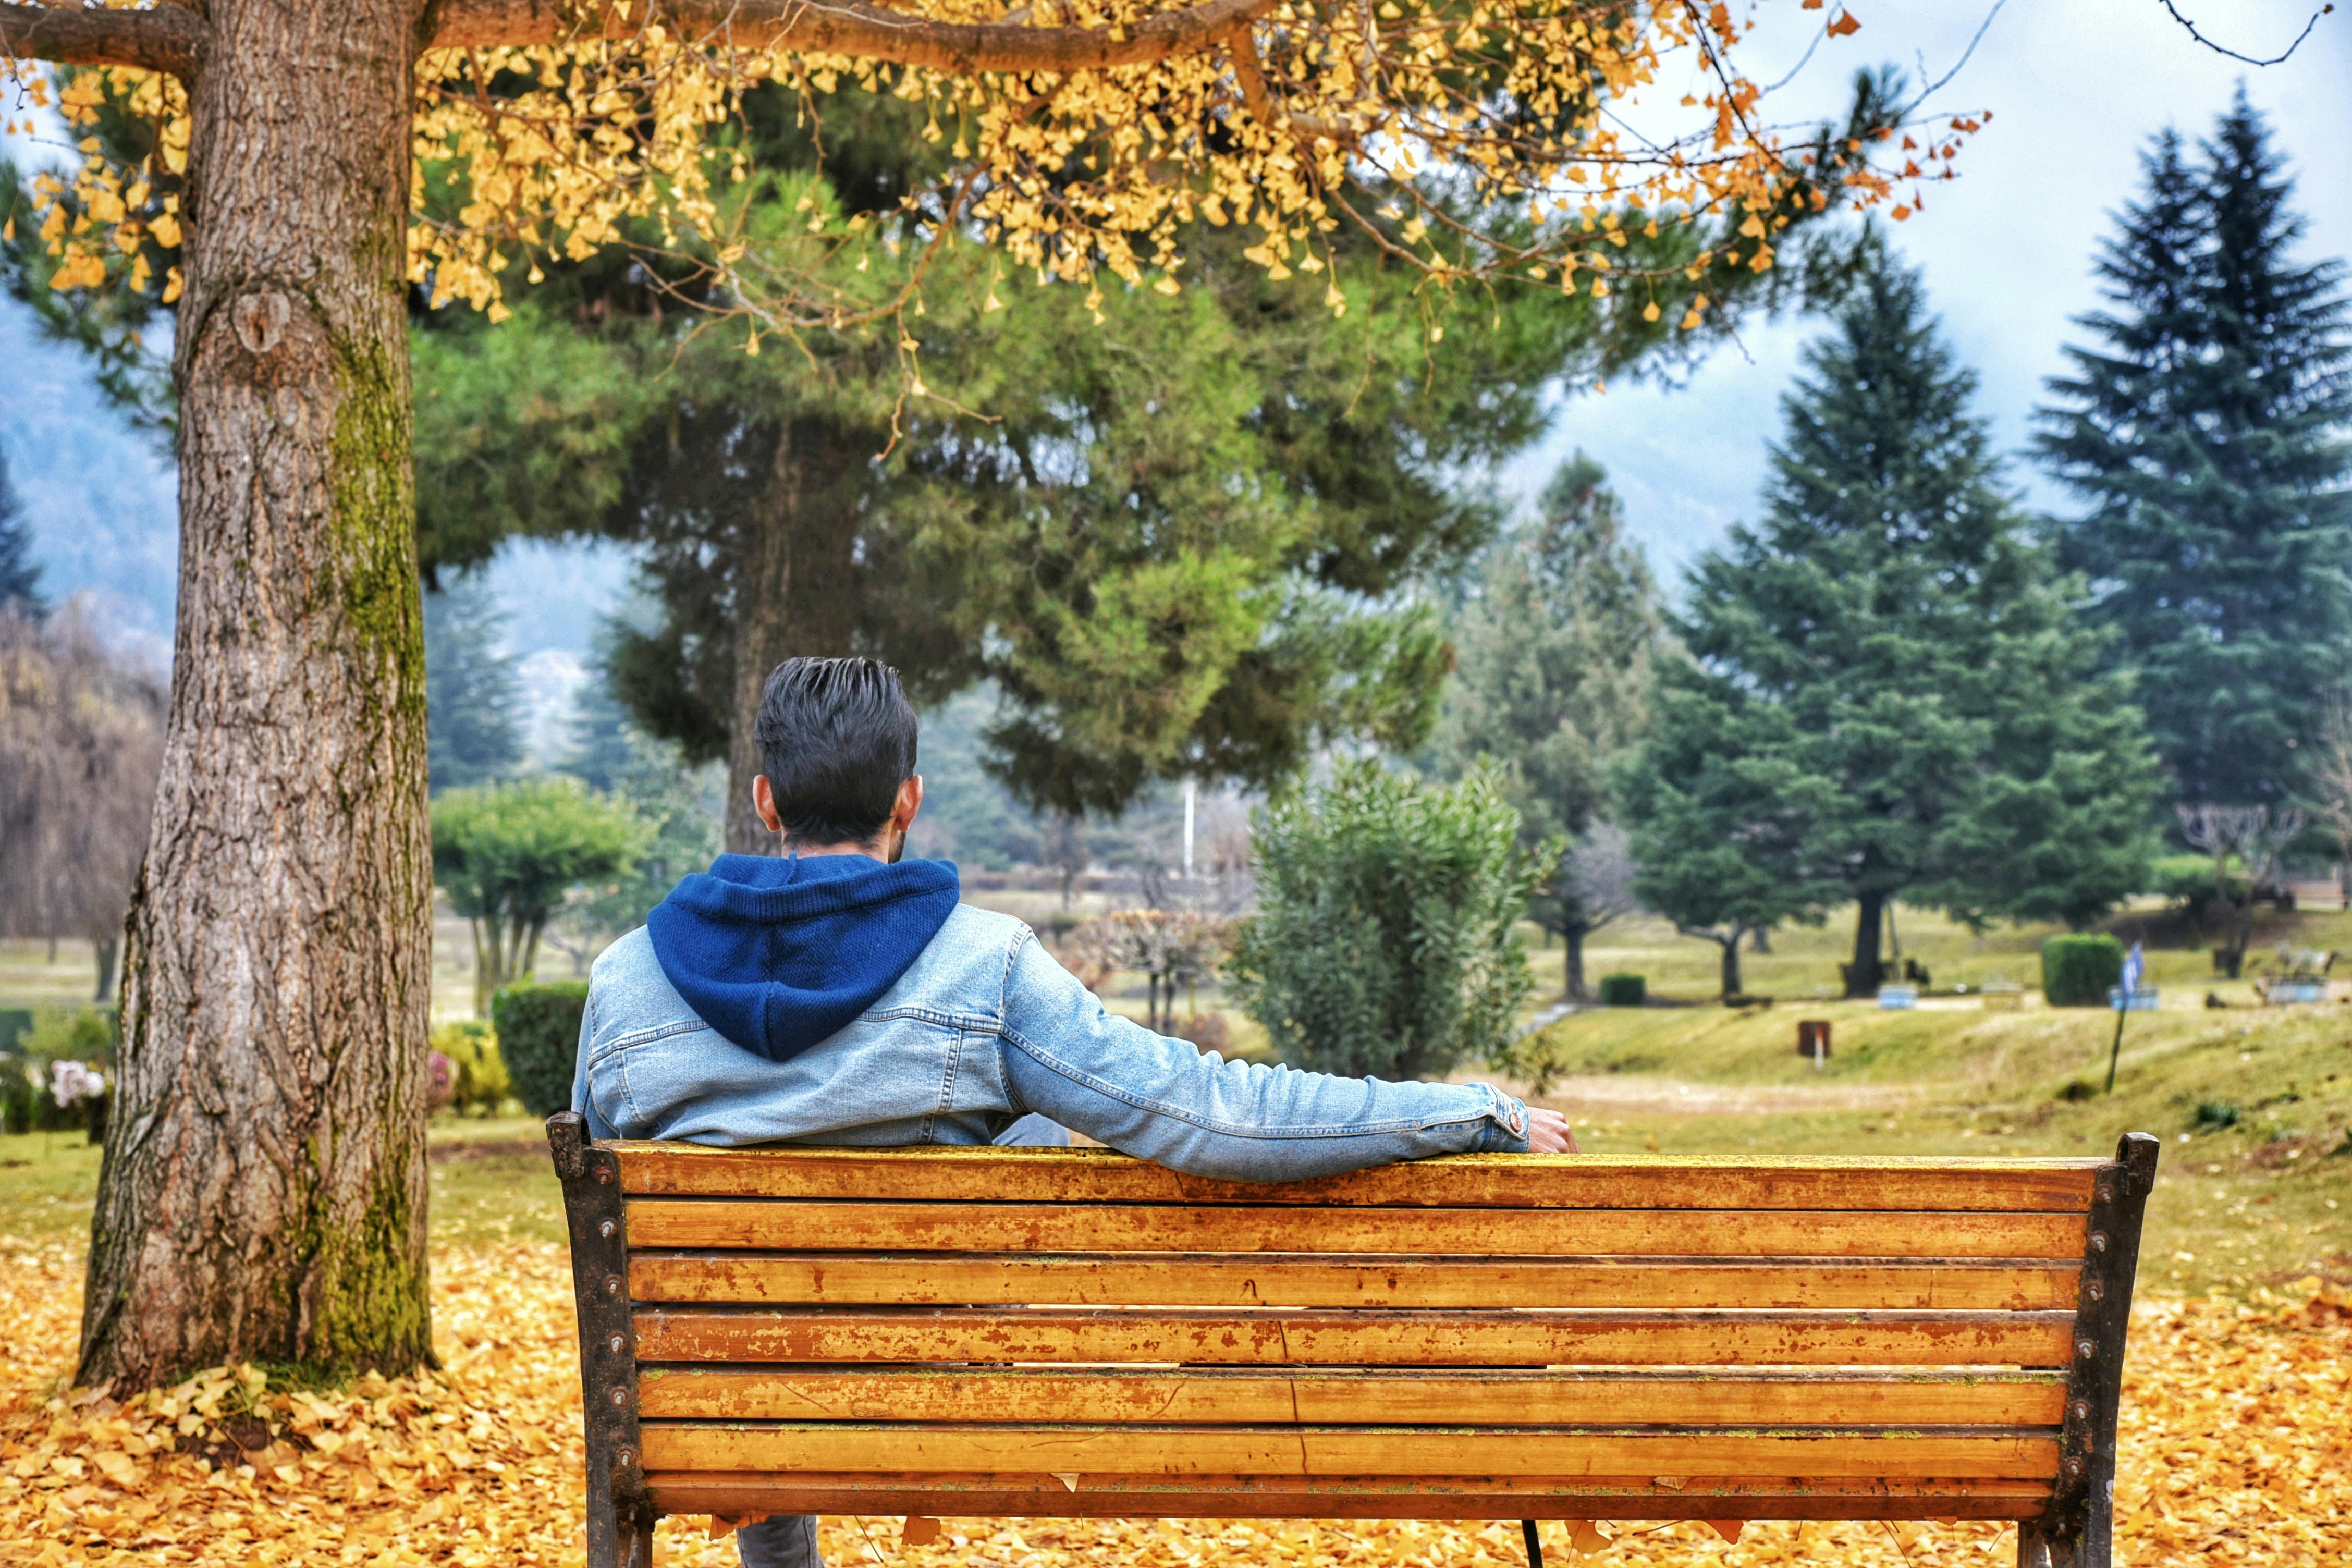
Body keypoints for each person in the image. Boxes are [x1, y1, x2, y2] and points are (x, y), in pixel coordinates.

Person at [572, 656, 1575, 1568]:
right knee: (1034, 1135)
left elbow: (590, 1193)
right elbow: (1214, 1116)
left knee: (739, 1243)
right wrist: (1468, 1110)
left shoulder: (626, 979)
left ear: (764, 801)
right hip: (927, 1400)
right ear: (908, 801)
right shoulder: (984, 967)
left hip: (705, 1407)